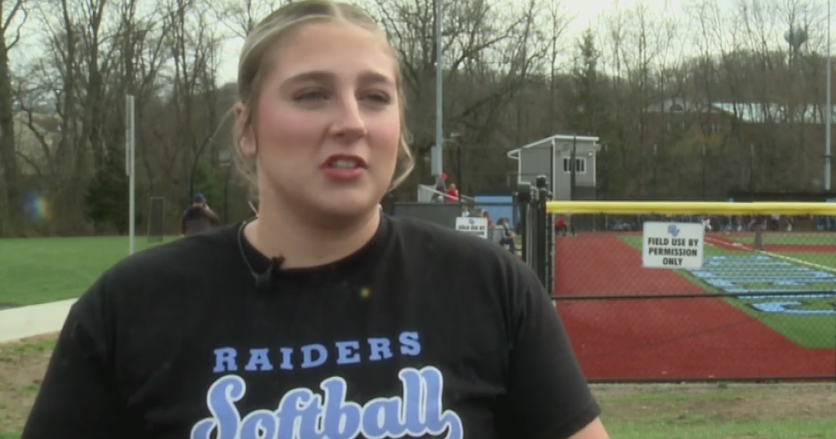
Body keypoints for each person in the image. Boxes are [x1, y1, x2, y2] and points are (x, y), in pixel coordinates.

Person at [21, 2, 609, 439]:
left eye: (375, 96)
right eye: (311, 95)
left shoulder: (489, 288)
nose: (351, 121)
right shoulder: (130, 308)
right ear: (247, 129)